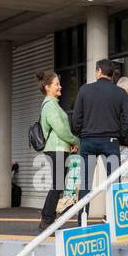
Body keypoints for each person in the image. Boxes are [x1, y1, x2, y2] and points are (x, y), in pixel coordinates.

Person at [72, 59, 128, 191]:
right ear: (112, 75)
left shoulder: (84, 90)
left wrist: (80, 134)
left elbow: (76, 118)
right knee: (115, 182)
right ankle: (113, 212)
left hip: (88, 140)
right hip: (111, 141)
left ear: (99, 71)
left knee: (85, 183)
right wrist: (121, 138)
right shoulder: (120, 93)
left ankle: (84, 212)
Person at [36, 70, 79, 232]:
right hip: (56, 150)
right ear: (47, 87)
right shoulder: (50, 105)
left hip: (60, 149)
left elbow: (61, 131)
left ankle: (48, 219)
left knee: (58, 185)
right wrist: (75, 141)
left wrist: (70, 144)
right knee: (57, 186)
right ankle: (46, 220)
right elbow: (60, 129)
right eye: (56, 84)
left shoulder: (53, 104)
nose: (60, 87)